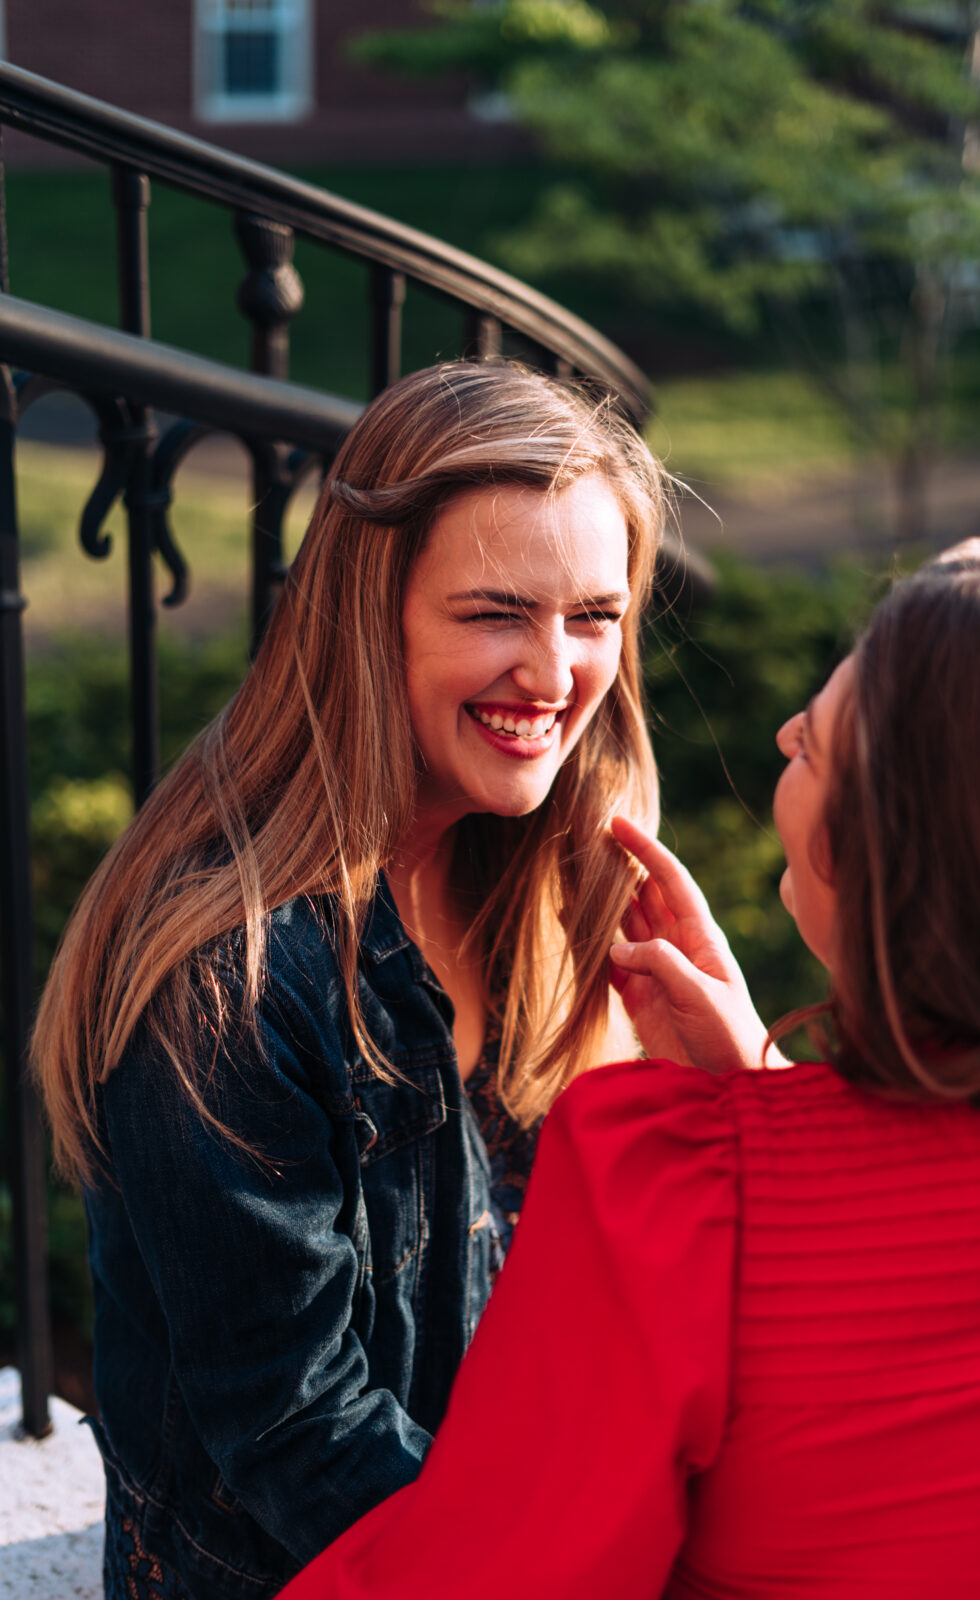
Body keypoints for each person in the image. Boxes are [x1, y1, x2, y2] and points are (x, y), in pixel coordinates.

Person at [278, 539, 980, 1600]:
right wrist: (759, 1081)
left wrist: (749, 1141)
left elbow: (497, 1572)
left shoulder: (680, 1192)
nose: (784, 732)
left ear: (895, 849)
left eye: (816, 745)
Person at [30, 360, 668, 1600]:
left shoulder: (546, 877)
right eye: (495, 613)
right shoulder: (228, 981)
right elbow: (302, 1435)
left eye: (593, 615)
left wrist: (731, 1082)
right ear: (370, 616)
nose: (553, 673)